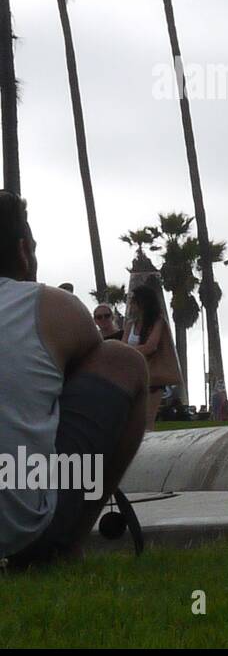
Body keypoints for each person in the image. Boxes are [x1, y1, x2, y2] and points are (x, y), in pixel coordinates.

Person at [0, 191, 149, 568]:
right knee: (123, 362)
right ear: (23, 251)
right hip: (22, 531)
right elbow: (93, 377)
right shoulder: (52, 307)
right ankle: (65, 546)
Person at [124, 284, 181, 432]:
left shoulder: (158, 322)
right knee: (132, 419)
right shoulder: (130, 325)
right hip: (132, 376)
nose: (130, 304)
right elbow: (122, 346)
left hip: (152, 376)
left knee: (147, 420)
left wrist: (128, 351)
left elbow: (151, 346)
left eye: (133, 300)